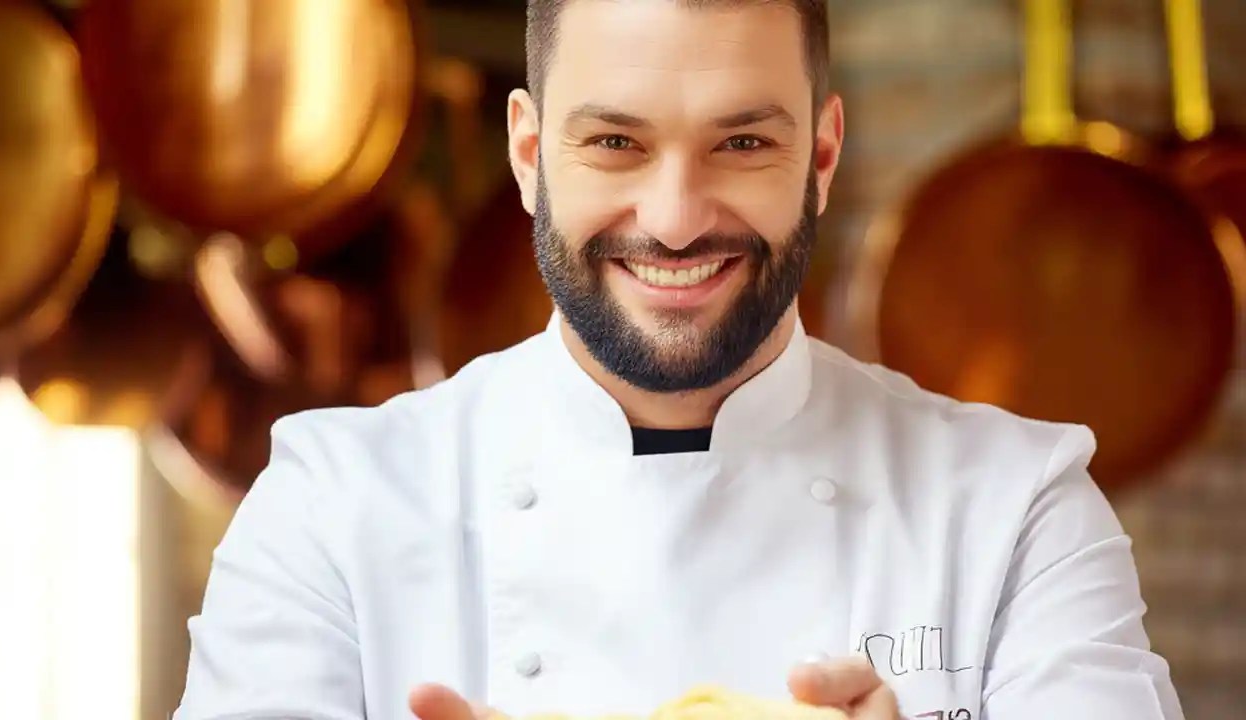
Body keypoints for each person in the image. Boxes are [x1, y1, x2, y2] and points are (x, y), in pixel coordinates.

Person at [173, 1, 1185, 718]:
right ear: (528, 156)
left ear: (821, 156)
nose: (672, 220)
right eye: (614, 143)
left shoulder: (1015, 508)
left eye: (740, 145)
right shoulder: (330, 503)